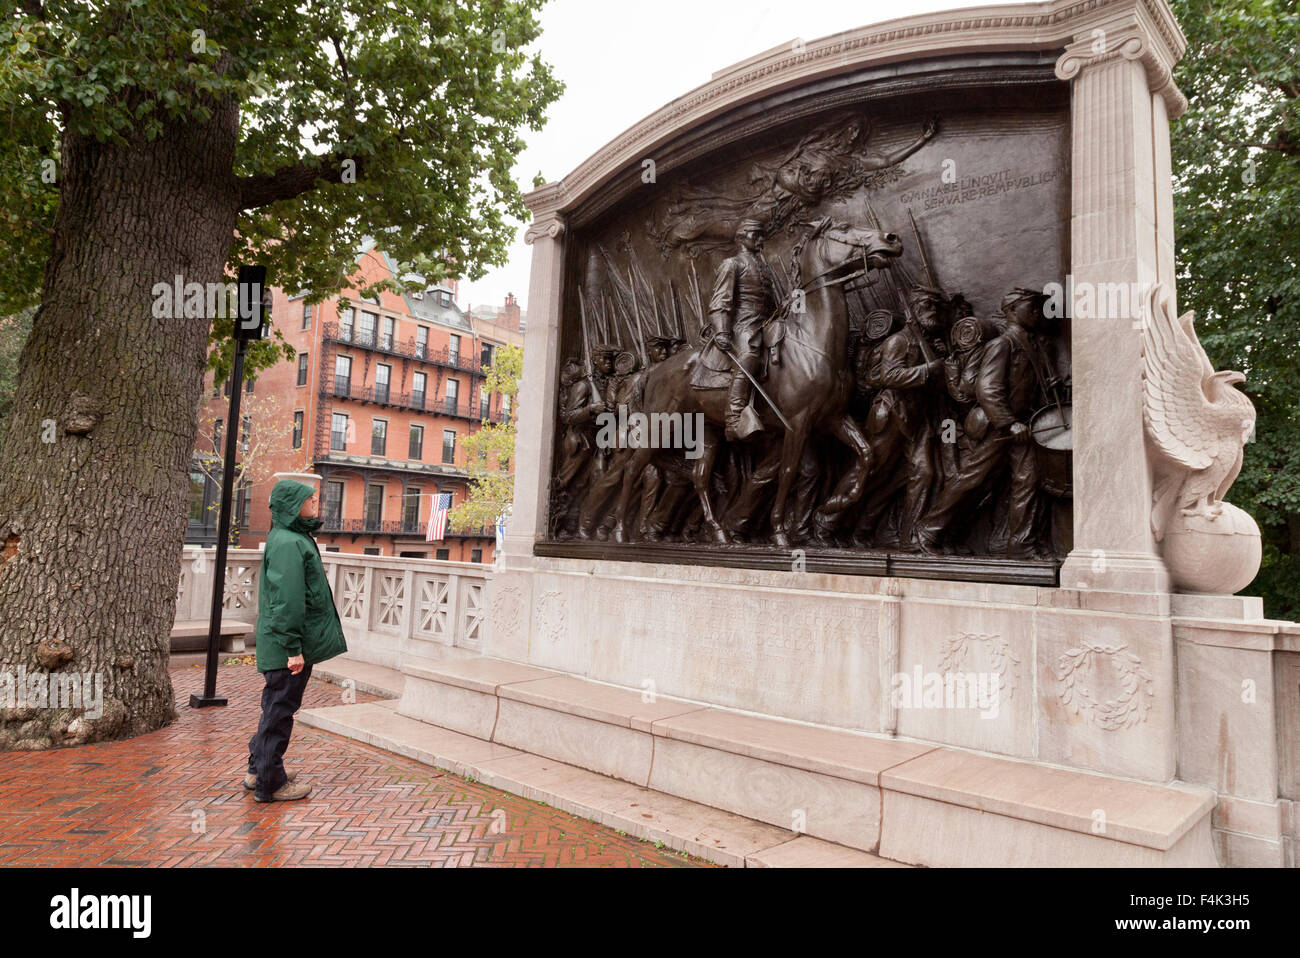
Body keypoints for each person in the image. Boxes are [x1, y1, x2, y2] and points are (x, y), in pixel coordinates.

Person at [245, 479, 347, 802]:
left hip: (283, 645)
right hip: (286, 649)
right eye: (309, 500)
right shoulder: (290, 543)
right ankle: (270, 784)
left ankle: (257, 769)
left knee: (272, 709)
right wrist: (293, 650)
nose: (315, 504)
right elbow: (287, 601)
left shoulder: (292, 536)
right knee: (279, 713)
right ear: (292, 505)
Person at [705, 219, 779, 441]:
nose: (760, 240)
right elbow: (720, 301)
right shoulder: (732, 264)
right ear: (741, 238)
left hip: (767, 320)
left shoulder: (764, 267)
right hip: (743, 323)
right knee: (749, 355)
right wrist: (721, 331)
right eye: (755, 235)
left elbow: (770, 300)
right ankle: (734, 418)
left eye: (761, 235)